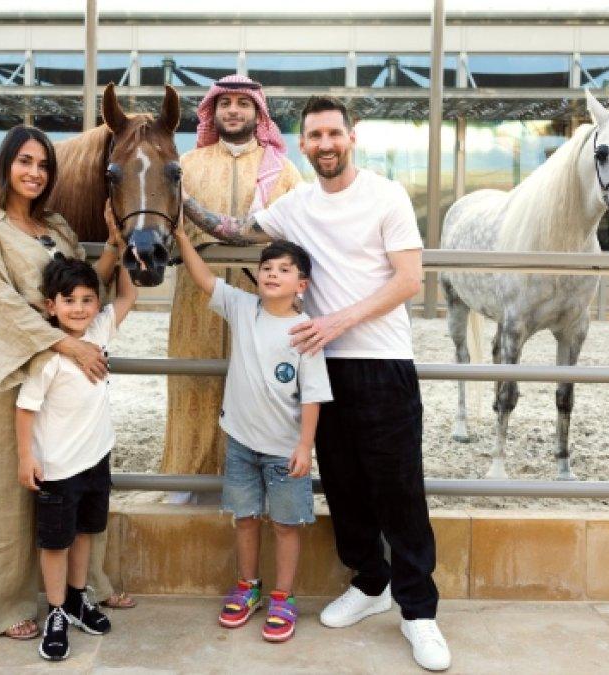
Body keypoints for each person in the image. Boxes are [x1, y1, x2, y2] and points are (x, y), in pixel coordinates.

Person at [181, 95, 450, 671]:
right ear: (301, 144)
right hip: (319, 369)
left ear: (352, 138)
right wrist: (172, 198)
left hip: (381, 362)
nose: (325, 144)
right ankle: (369, 583)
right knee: (346, 485)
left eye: (334, 133)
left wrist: (335, 321)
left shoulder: (387, 196)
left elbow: (409, 281)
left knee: (399, 487)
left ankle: (419, 612)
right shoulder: (295, 204)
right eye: (314, 136)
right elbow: (233, 230)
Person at [0, 124, 126, 640]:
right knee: (13, 489)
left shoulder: (54, 225)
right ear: (5, 165)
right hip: (15, 375)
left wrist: (116, 245)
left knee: (77, 479)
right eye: (25, 162)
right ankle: (6, 605)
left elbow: (83, 283)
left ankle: (81, 591)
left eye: (43, 165)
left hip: (69, 380)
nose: (35, 173)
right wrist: (67, 345)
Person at [173, 224, 331, 642]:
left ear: (302, 283)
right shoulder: (243, 308)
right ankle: (248, 587)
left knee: (285, 525)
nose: (272, 274)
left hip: (284, 450)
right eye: (266, 267)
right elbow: (204, 278)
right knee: (244, 519)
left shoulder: (306, 331)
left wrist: (304, 446)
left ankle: (284, 595)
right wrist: (182, 238)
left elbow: (313, 395)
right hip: (241, 443)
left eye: (283, 269)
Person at [163, 74, 303, 490]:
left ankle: (247, 476)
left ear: (258, 113)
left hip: (260, 298)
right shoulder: (187, 166)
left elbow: (295, 234)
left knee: (257, 385)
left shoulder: (284, 171)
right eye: (225, 104)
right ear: (213, 111)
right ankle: (187, 478)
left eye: (244, 104)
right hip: (197, 296)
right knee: (193, 378)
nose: (234, 111)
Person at [16, 253, 137, 661]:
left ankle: (76, 598)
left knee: (86, 532)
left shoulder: (100, 331)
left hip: (96, 460)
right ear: (51, 306)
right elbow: (25, 409)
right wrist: (24, 458)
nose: (80, 308)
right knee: (56, 542)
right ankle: (54, 612)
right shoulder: (48, 358)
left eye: (87, 300)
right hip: (57, 467)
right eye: (69, 300)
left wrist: (124, 248)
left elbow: (127, 294)